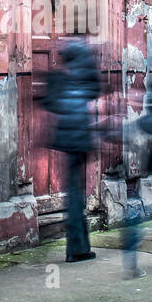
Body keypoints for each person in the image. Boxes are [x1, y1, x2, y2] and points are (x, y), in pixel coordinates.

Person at [41, 33, 103, 263]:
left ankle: (77, 246)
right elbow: (96, 91)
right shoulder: (85, 77)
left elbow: (49, 103)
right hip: (80, 138)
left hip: (65, 138)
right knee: (76, 194)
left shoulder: (61, 78)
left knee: (73, 192)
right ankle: (77, 248)